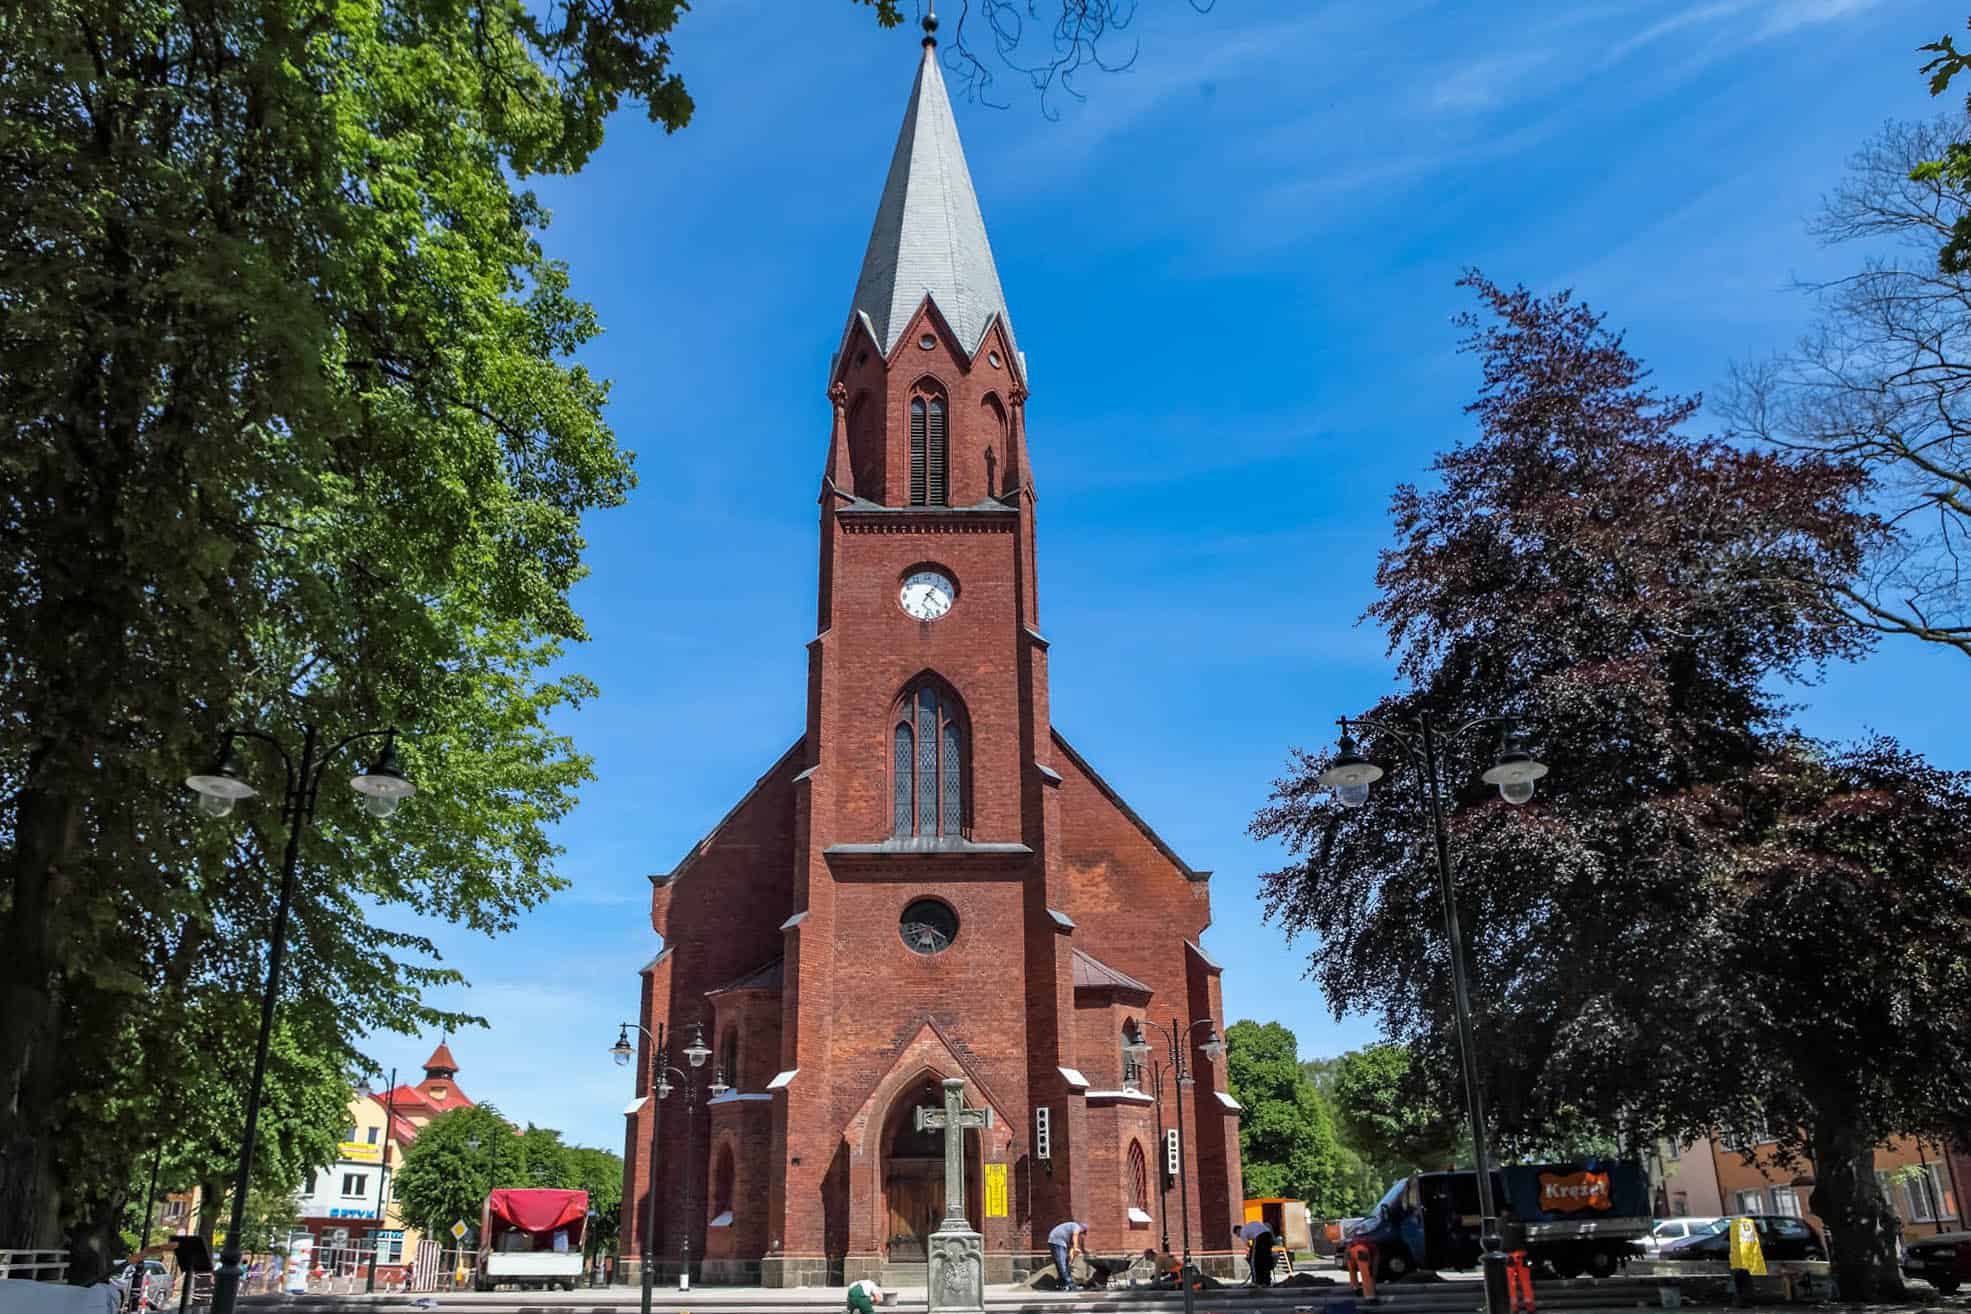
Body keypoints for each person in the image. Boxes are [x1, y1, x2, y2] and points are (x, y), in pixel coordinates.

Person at [1048, 1220, 1087, 1291]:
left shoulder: (1070, 1228)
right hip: (1057, 1241)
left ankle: (1062, 1284)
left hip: (1055, 1241)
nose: (1080, 1234)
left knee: (1062, 1264)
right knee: (1062, 1264)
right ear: (1082, 1229)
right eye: (1082, 1233)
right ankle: (1070, 1284)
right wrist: (1075, 1248)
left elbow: (1071, 1244)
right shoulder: (1077, 1227)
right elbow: (1075, 1237)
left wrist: (1073, 1253)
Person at [1237, 1220, 1275, 1288]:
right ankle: (1266, 1282)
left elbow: (1247, 1246)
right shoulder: (1249, 1226)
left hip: (1260, 1237)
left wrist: (1250, 1255)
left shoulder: (1242, 1231)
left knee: (1255, 1261)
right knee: (1266, 1259)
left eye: (1238, 1235)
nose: (1239, 1236)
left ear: (1237, 1231)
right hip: (1268, 1235)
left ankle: (1257, 1281)